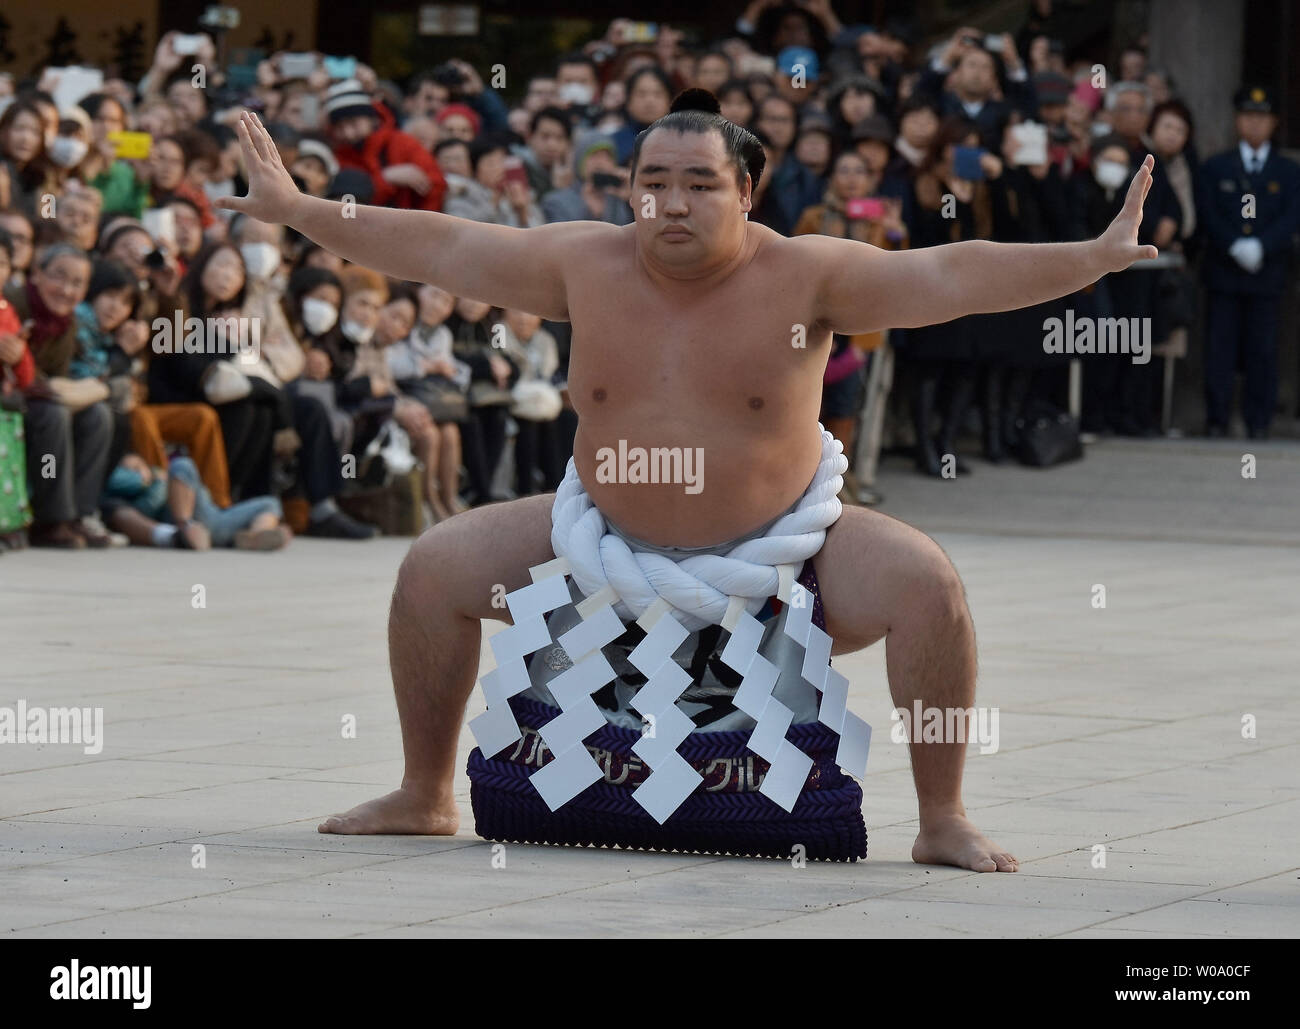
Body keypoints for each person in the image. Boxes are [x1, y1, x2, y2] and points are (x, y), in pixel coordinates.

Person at [221, 87, 1160, 872]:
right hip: (598, 549)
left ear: (746, 190)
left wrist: (1091, 259)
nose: (670, 204)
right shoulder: (581, 263)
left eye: (699, 184)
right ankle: (425, 793)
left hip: (784, 557)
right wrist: (302, 210)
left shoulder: (809, 276)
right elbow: (442, 246)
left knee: (928, 586)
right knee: (433, 568)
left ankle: (943, 814)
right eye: (652, 183)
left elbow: (952, 273)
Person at [1196, 86, 1300, 439]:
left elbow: (1292, 216)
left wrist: (1262, 245)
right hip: (1224, 271)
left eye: (1261, 117)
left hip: (1267, 273)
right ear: (1238, 120)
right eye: (1248, 117)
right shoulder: (1217, 166)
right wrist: (1234, 244)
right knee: (1219, 347)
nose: (1254, 124)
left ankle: (1259, 421)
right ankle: (1217, 418)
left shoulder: (1288, 171)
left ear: (1273, 123)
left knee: (1263, 349)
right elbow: (1208, 212)